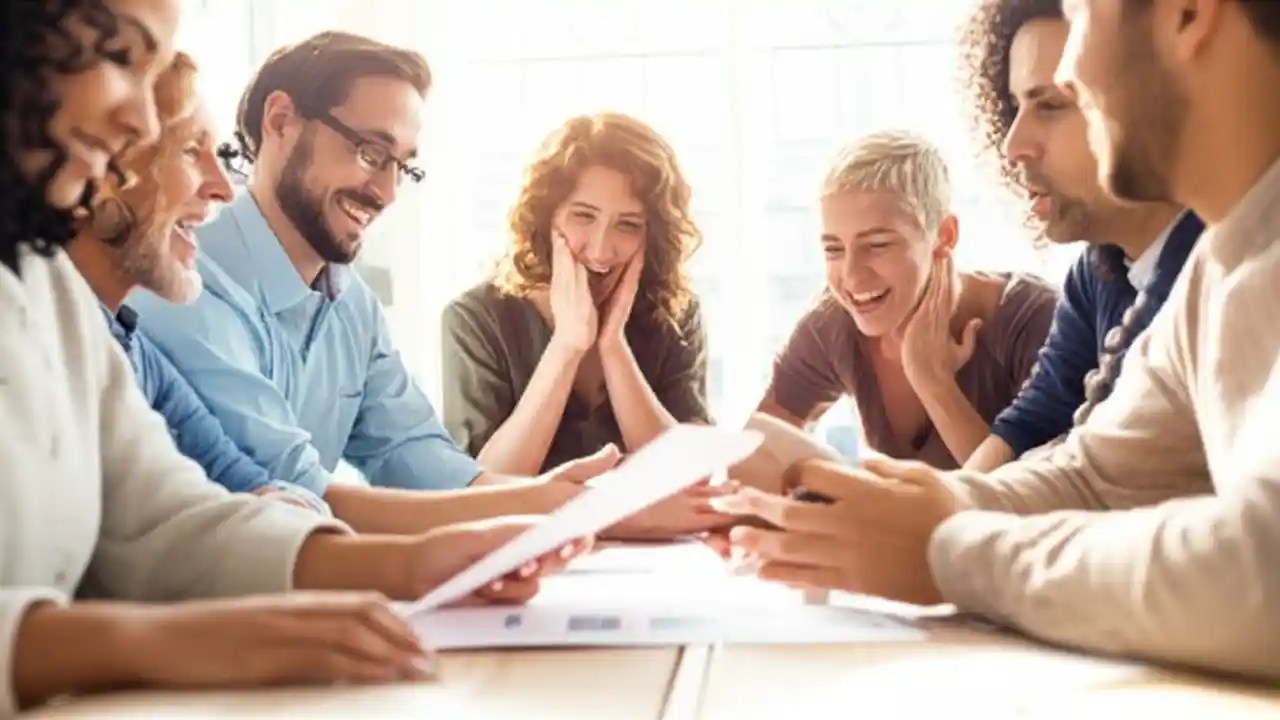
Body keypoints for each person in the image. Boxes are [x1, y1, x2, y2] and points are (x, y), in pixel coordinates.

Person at [0, 7, 583, 712]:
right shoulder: (184, 288)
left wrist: (415, 561)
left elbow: (164, 516)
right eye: (118, 55)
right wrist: (160, 641)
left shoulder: (47, 285)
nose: (140, 126)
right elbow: (271, 487)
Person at [722, 0, 1280, 680]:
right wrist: (919, 508)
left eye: (1082, 14)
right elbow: (1096, 475)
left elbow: (1265, 567)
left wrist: (949, 551)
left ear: (1188, 13)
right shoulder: (1220, 263)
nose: (1012, 145)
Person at [66, 53, 632, 535]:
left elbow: (413, 456)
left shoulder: (351, 303)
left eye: (401, 166)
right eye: (369, 152)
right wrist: (573, 509)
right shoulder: (179, 274)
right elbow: (284, 486)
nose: (385, 190)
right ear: (281, 122)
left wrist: (559, 502)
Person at [439, 112, 725, 536]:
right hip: (520, 558)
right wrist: (568, 346)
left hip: (654, 564)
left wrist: (613, 348)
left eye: (628, 225)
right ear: (547, 216)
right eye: (583, 216)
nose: (601, 249)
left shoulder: (675, 315)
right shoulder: (475, 319)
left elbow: (689, 482)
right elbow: (484, 492)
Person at [959, 0, 1204, 473]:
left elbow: (1097, 474)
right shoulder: (1098, 269)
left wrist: (939, 521)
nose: (1012, 145)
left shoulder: (1211, 268)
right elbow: (1035, 418)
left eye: (1050, 104)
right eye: (1013, 108)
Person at [749, 130, 1057, 472]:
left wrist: (934, 382)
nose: (851, 277)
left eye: (878, 245)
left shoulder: (1033, 320)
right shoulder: (833, 321)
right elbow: (752, 453)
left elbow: (1028, 502)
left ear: (944, 235)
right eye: (834, 249)